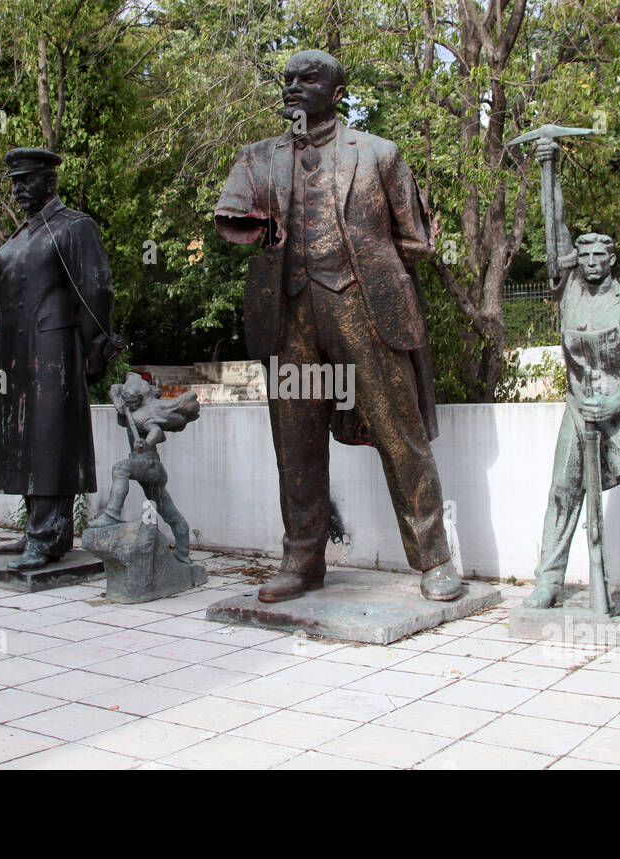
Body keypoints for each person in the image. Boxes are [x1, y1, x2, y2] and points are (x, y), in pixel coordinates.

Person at [214, 49, 461, 603]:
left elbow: (415, 240)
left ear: (337, 92)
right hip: (290, 314)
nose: (293, 87)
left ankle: (434, 559)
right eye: (287, 79)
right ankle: (302, 560)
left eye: (307, 78)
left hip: (365, 310)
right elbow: (232, 217)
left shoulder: (379, 153)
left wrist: (385, 257)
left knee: (401, 436)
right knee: (294, 443)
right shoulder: (257, 158)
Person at [524, 139, 620, 608]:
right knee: (562, 491)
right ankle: (548, 580)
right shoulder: (568, 289)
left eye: (599, 257)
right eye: (585, 256)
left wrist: (613, 403)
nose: (591, 263)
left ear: (612, 260)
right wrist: (548, 165)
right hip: (578, 412)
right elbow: (554, 229)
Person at [0, 147, 120, 571]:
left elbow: (97, 290)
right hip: (19, 352)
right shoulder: (24, 233)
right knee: (24, 441)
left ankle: (48, 535)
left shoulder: (74, 226)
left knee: (50, 440)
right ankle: (39, 530)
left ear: (49, 181)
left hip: (54, 350)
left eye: (28, 181)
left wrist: (97, 347)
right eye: (15, 182)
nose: (19, 189)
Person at [95, 373, 201, 562]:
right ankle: (183, 553)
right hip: (145, 468)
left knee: (121, 469)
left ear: (140, 400)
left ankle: (111, 514)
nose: (129, 403)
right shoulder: (126, 409)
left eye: (133, 401)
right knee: (167, 510)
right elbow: (115, 388)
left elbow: (157, 432)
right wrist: (119, 403)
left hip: (149, 465)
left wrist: (146, 443)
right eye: (127, 400)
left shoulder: (144, 415)